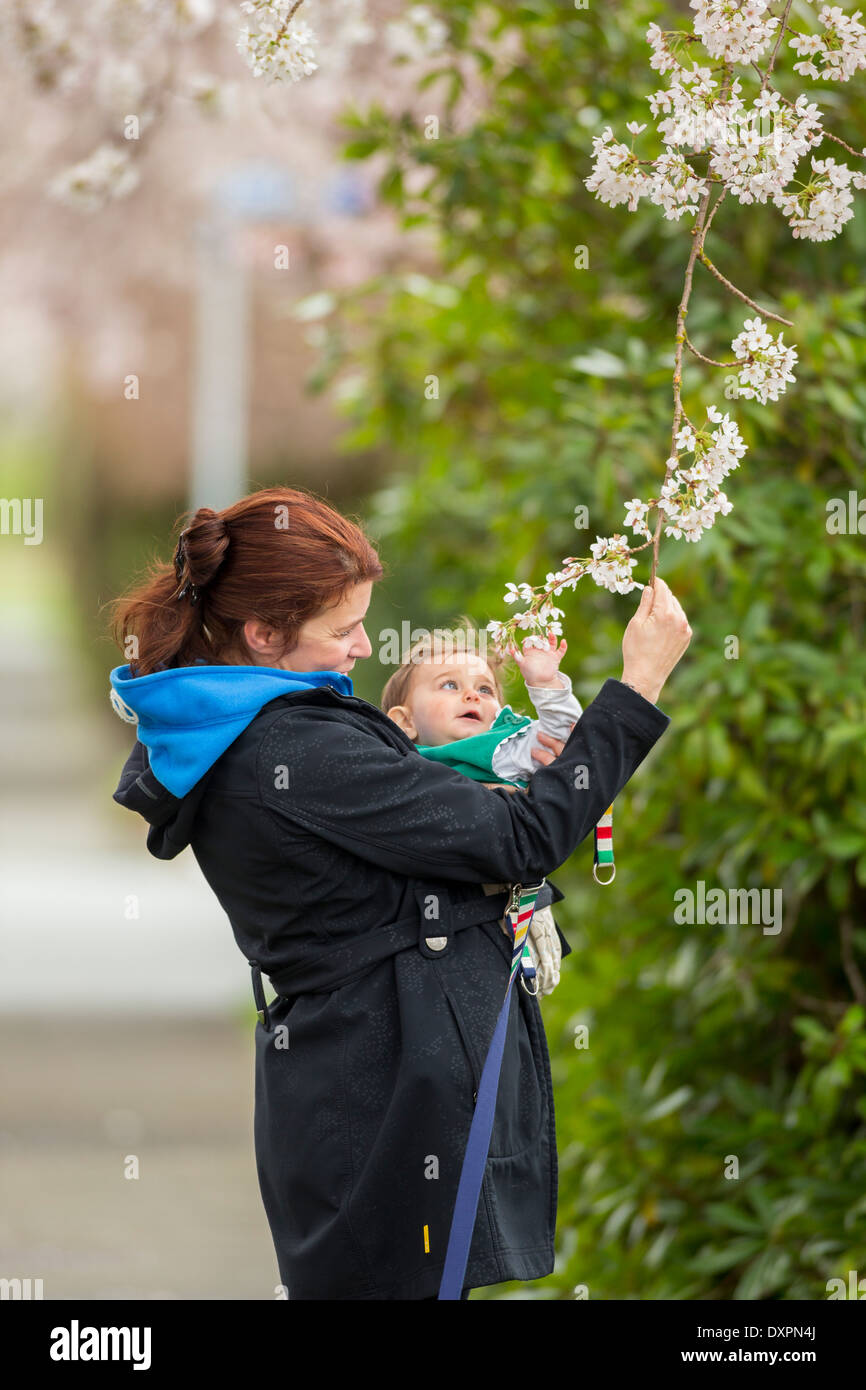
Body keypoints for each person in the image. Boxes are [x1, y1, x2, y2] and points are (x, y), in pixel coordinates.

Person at [107, 484, 691, 1300]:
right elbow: (522, 837)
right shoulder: (297, 749)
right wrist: (637, 687)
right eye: (343, 629)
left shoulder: (243, 734)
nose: (363, 645)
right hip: (389, 1107)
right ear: (265, 633)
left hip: (354, 1093)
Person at [381, 621, 585, 995]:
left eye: (485, 689)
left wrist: (545, 683)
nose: (472, 696)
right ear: (405, 721)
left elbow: (565, 734)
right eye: (449, 685)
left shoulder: (502, 749)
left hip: (495, 917)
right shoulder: (389, 769)